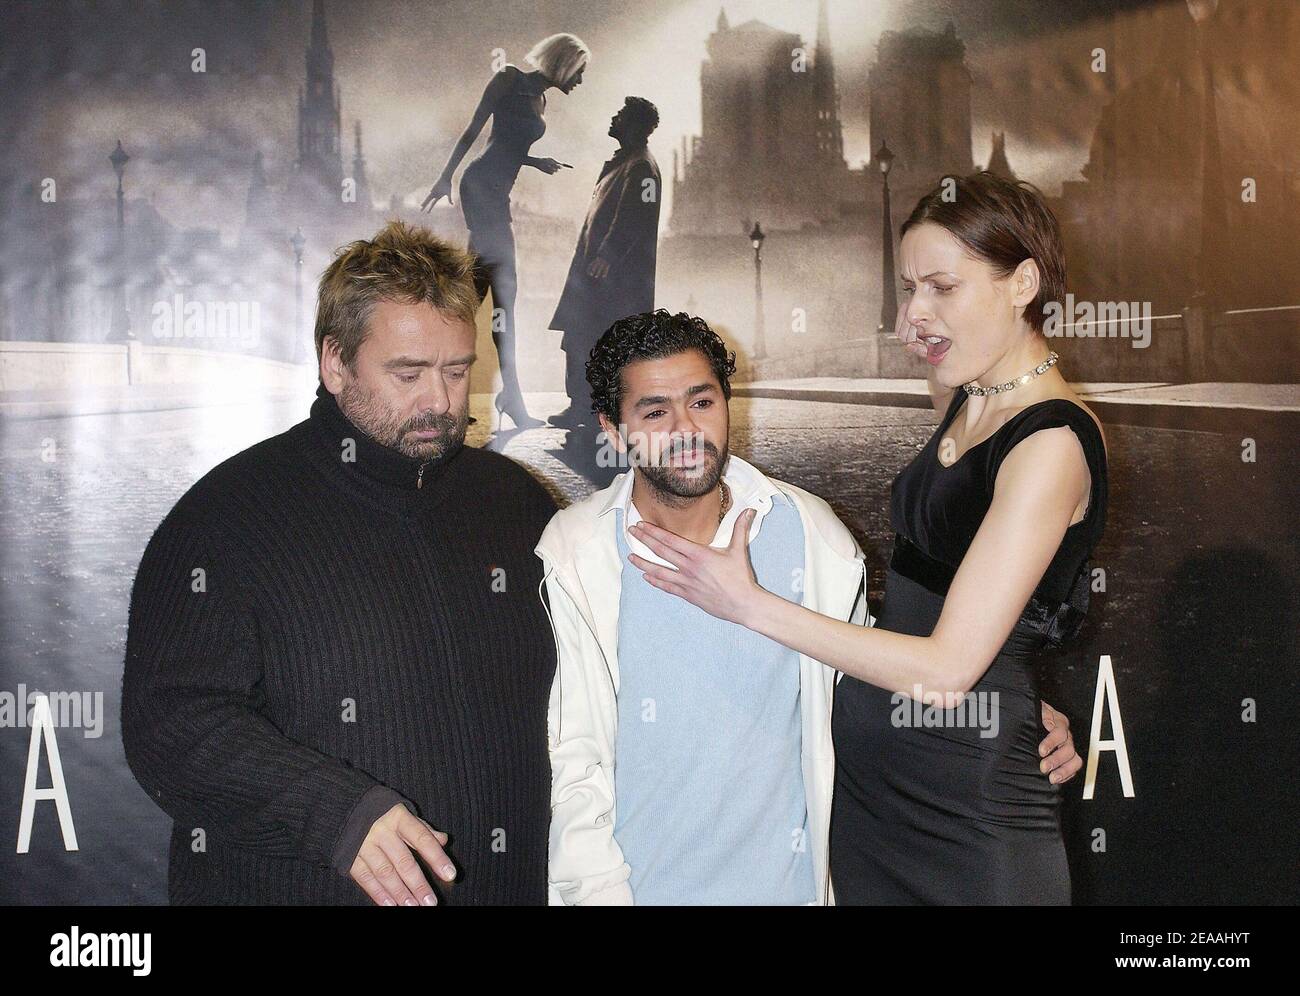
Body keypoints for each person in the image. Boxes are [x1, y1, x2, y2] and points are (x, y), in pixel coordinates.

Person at [627, 173, 1102, 905]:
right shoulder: (971, 393)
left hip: (967, 812)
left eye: (942, 287)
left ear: (1024, 283)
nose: (916, 314)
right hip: (872, 799)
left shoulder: (1052, 442)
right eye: (910, 288)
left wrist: (747, 603)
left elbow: (948, 672)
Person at [537, 308, 1082, 905]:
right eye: (655, 412)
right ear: (614, 432)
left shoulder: (808, 532)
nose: (686, 429)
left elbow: (870, 677)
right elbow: (573, 761)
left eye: (702, 402)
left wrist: (1002, 708)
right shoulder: (579, 551)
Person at [121, 220, 558, 905]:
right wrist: (334, 813)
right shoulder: (224, 518)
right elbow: (171, 728)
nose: (441, 403)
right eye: (407, 374)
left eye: (456, 371)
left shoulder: (517, 503)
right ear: (334, 362)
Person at [422, 33, 590, 435]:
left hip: (496, 194)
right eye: (579, 72)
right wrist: (444, 178)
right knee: (503, 298)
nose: (581, 82)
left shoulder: (541, 98)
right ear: (564, 64)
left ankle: (451, 397)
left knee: (473, 299)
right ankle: (505, 398)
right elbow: (474, 130)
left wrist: (535, 161)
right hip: (480, 189)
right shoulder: (509, 79)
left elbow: (510, 146)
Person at [548, 96, 662, 443]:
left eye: (621, 115)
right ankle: (582, 405)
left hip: (612, 280)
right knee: (583, 338)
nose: (614, 118)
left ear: (634, 125)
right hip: (600, 275)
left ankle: (588, 408)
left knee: (595, 340)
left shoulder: (640, 167)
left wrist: (608, 256)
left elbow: (634, 216)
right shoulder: (628, 163)